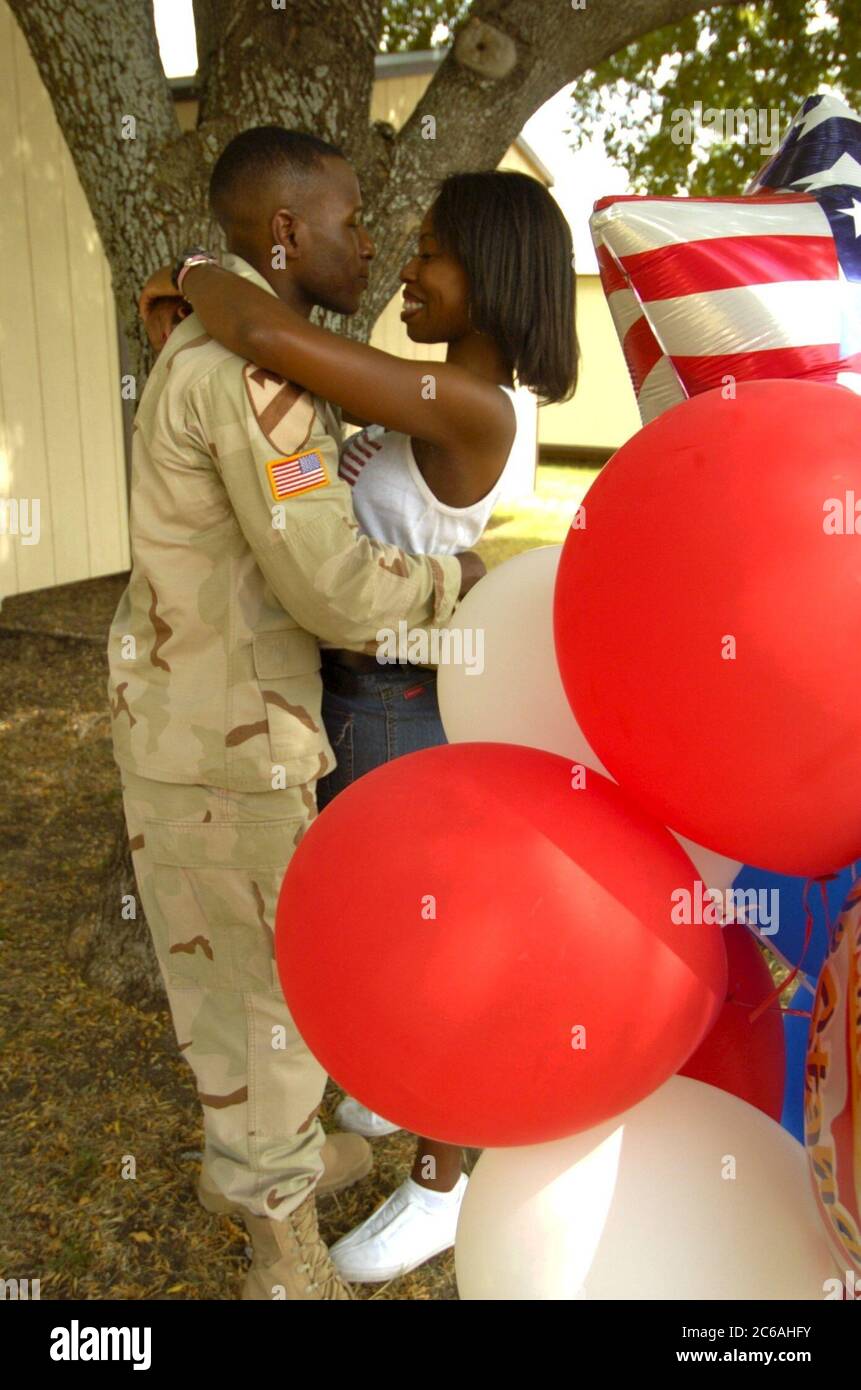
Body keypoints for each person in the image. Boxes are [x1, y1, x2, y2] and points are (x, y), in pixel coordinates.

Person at [143, 166, 578, 1283]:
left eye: (430, 250)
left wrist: (199, 273)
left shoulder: (469, 405)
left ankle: (444, 1184)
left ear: (490, 279)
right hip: (353, 696)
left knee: (437, 957)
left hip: (396, 706)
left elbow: (278, 345)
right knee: (381, 940)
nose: (403, 268)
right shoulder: (422, 387)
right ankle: (394, 1103)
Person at [109, 125, 485, 1302]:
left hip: (180, 716)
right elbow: (328, 588)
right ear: (285, 232)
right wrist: (448, 583)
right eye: (352, 218)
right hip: (232, 738)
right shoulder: (256, 375)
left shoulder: (197, 343)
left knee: (231, 975)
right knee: (265, 1001)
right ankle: (283, 1251)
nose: (368, 243)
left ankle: (267, 1168)